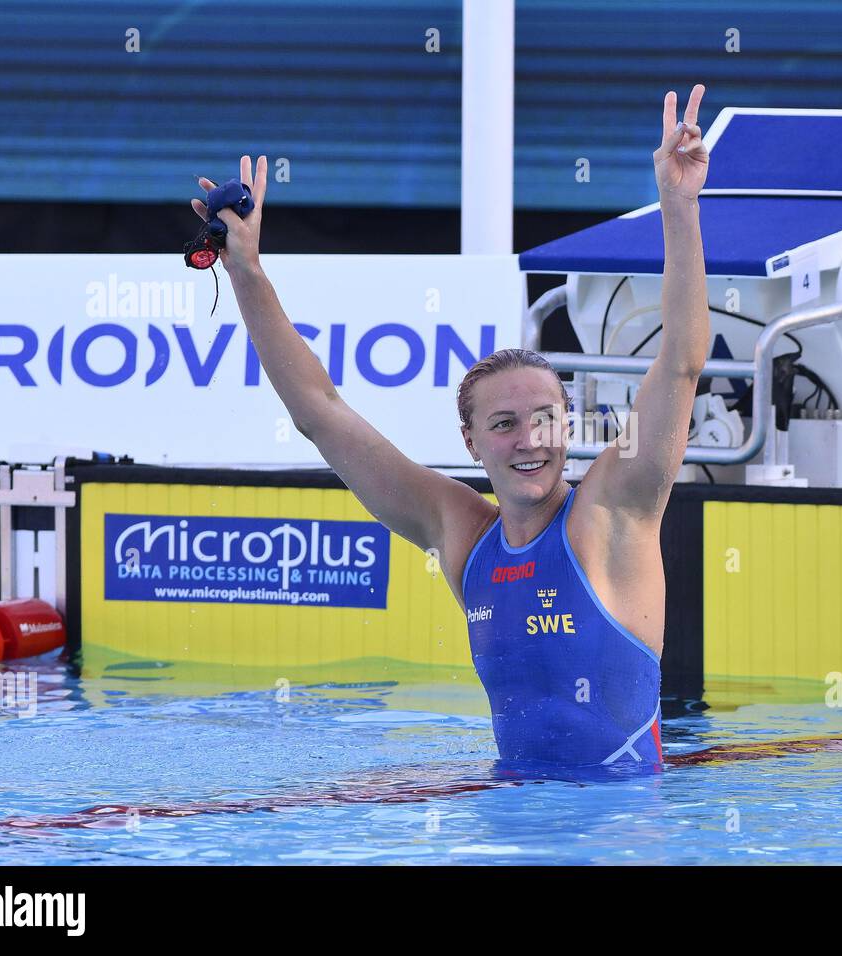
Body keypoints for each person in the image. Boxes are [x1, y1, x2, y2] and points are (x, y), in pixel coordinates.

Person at [192, 84, 710, 767]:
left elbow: (678, 366)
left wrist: (679, 206)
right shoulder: (461, 534)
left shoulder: (613, 513)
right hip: (510, 818)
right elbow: (321, 415)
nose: (530, 440)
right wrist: (247, 272)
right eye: (505, 424)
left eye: (545, 419)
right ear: (471, 442)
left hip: (617, 830)